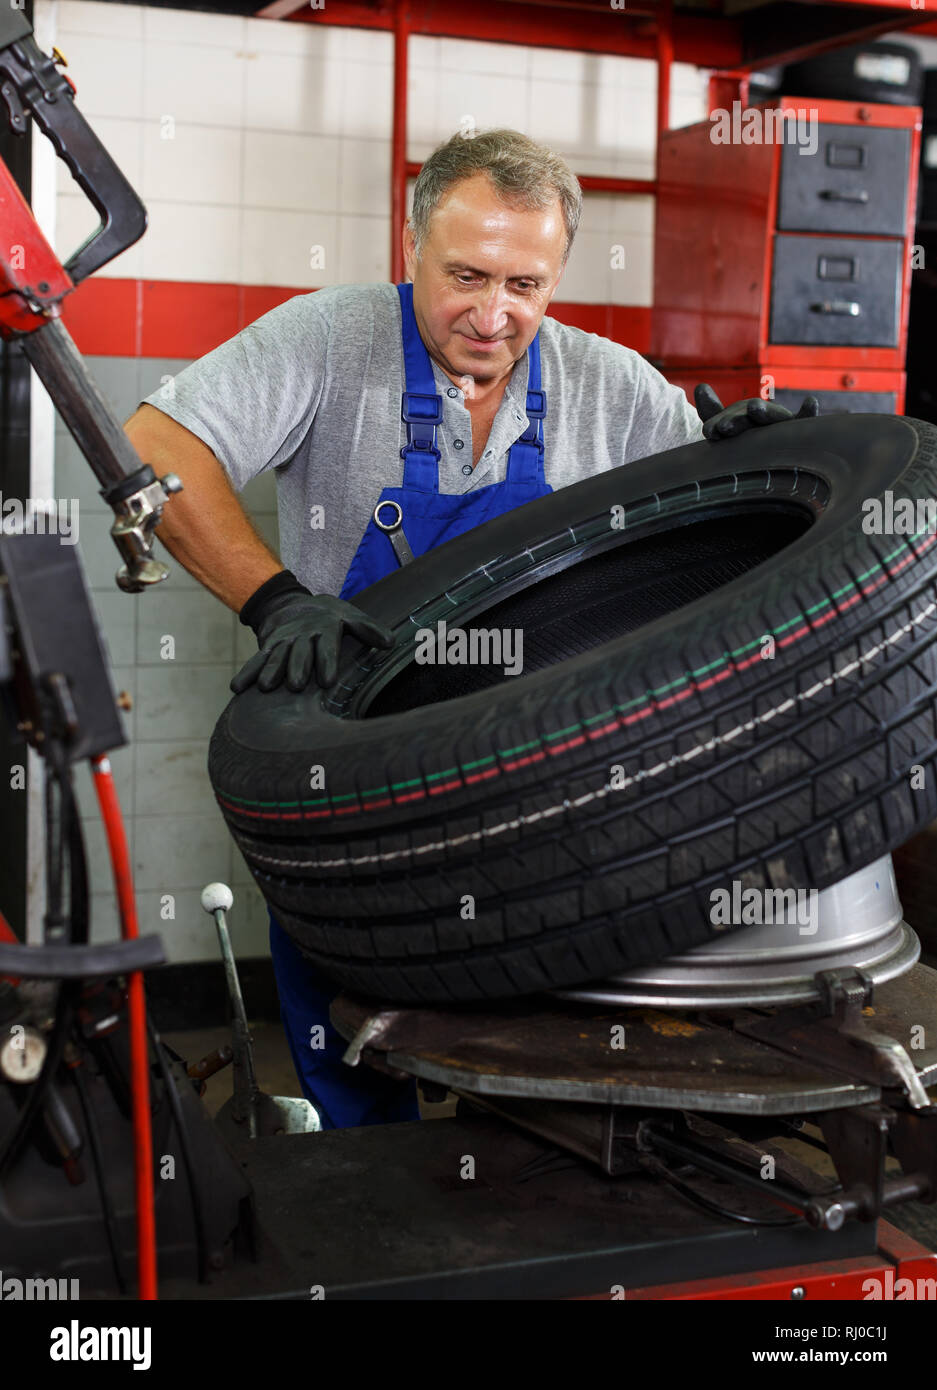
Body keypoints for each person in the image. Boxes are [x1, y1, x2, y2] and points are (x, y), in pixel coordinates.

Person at [123, 127, 816, 1130]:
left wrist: (759, 473)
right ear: (410, 246)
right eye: (467, 276)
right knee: (355, 1052)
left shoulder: (613, 387)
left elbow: (703, 528)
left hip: (542, 793)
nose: (494, 315)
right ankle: (371, 1217)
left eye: (526, 285)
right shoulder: (326, 340)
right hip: (357, 793)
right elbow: (154, 444)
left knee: (546, 1060)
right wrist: (274, 599)